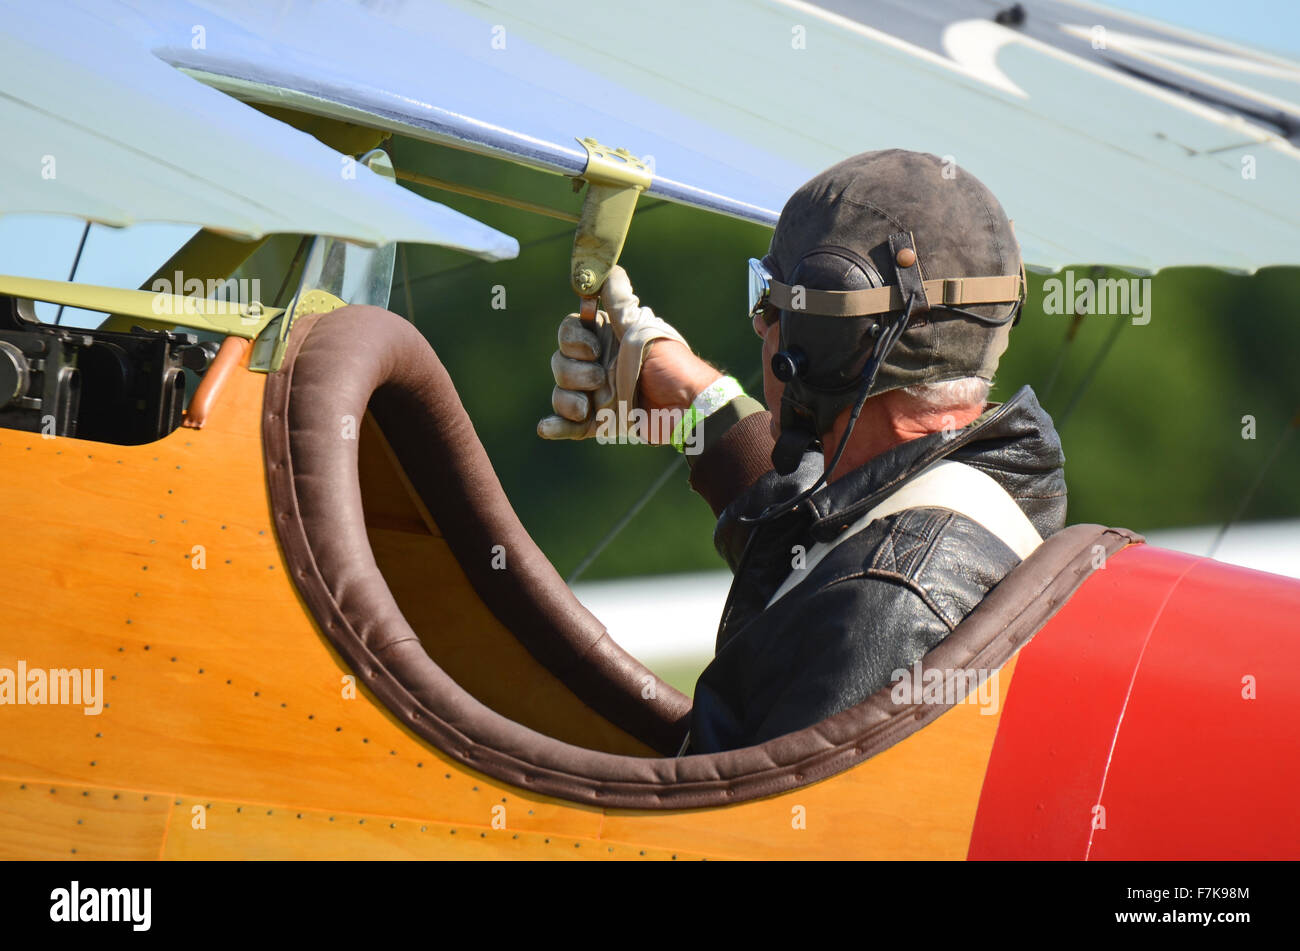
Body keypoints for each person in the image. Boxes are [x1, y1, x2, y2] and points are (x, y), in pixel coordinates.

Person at [538, 149, 1067, 754]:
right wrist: (693, 399)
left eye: (770, 297)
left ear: (820, 338)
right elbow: (829, 536)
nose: (762, 324)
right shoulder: (989, 495)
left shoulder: (880, 605)